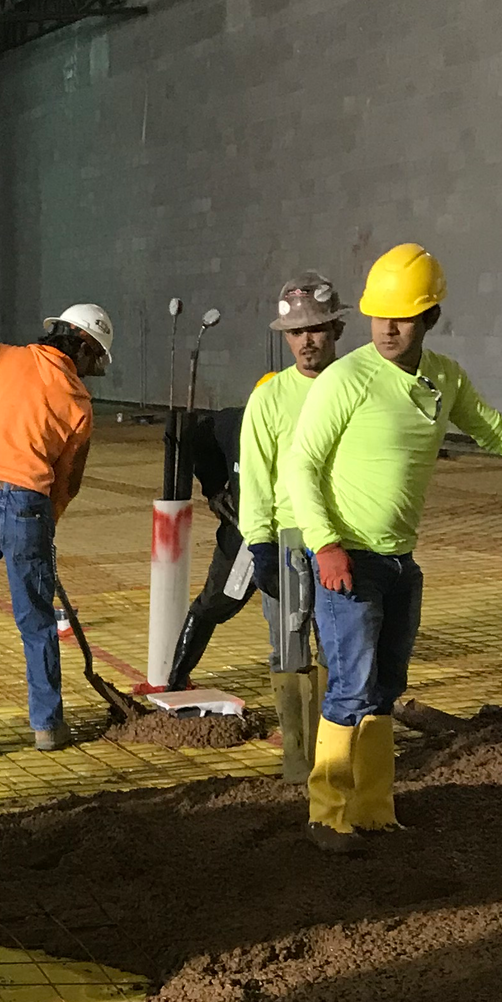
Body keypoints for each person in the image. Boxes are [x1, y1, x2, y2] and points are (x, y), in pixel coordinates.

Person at [286, 243, 502, 852]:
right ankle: (326, 813)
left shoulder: (444, 378)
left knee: (385, 685)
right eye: (379, 315)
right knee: (351, 684)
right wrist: (323, 543)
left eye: (401, 317)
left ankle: (375, 808)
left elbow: (496, 430)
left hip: (399, 562)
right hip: (346, 557)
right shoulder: (346, 378)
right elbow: (300, 466)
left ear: (429, 317)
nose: (386, 328)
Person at [0, 305, 111, 755]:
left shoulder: (3, 360)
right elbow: (68, 481)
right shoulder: (79, 402)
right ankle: (47, 727)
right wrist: (45, 526)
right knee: (37, 622)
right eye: (94, 360)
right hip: (30, 507)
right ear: (83, 346)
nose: (91, 372)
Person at [236, 272, 347, 783]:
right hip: (286, 542)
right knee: (289, 649)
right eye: (296, 332)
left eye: (317, 329)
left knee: (339, 647)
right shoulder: (269, 398)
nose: (306, 340)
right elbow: (256, 478)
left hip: (342, 542)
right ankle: (298, 760)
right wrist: (258, 542)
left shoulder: (355, 389)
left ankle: (333, 757)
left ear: (336, 330)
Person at [161, 401, 250, 693]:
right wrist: (214, 488)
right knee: (213, 603)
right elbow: (200, 438)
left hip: (294, 536)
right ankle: (175, 681)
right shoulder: (234, 424)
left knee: (312, 612)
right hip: (245, 537)